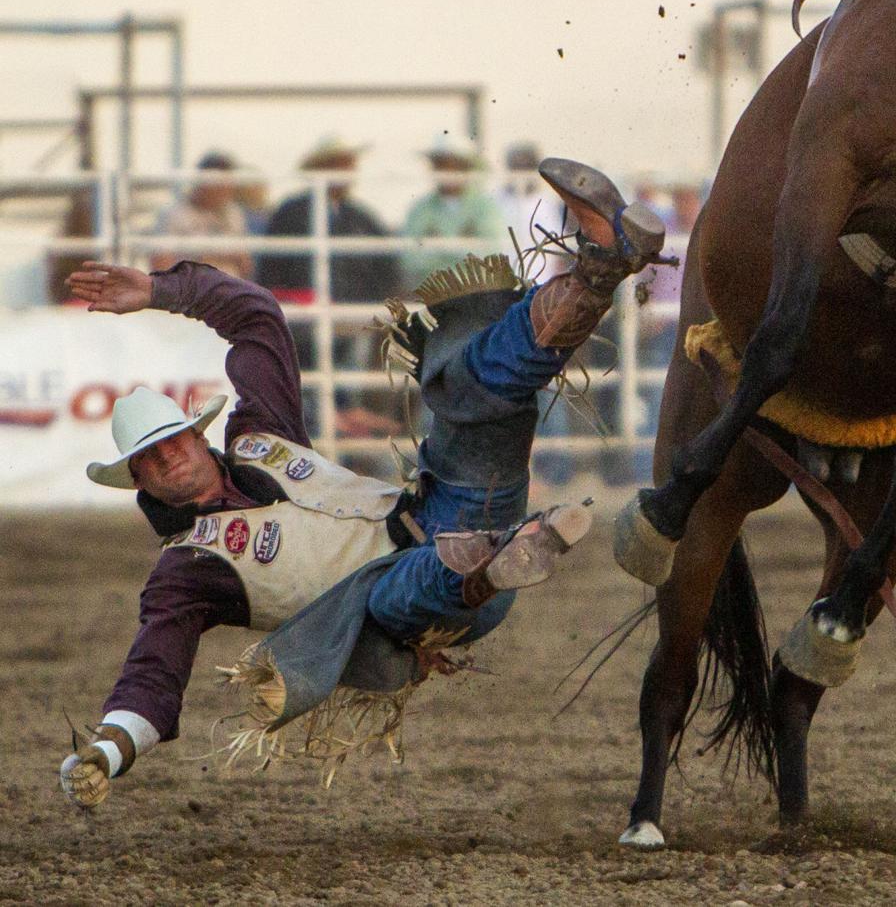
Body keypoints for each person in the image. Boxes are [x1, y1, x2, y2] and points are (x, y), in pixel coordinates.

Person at [58, 158, 667, 810]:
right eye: (151, 459)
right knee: (389, 590)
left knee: (469, 387)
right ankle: (480, 570)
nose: (170, 457)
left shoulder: (261, 434)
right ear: (140, 481)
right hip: (410, 617)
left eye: (173, 439)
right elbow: (153, 671)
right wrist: (109, 750)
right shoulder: (185, 570)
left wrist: (158, 288)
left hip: (442, 506)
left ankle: (600, 268)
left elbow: (257, 317)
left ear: (194, 433)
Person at [256, 135, 400, 305]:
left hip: (356, 314)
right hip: (304, 314)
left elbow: (387, 267)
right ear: (320, 168)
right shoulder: (291, 213)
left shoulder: (362, 217)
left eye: (349, 164)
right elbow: (271, 268)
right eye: (340, 164)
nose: (348, 171)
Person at [400, 131, 506, 285]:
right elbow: (410, 259)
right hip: (432, 294)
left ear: (466, 168)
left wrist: (437, 244)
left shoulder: (486, 207)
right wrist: (464, 244)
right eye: (441, 164)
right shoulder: (419, 209)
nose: (447, 171)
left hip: (477, 293)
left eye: (454, 165)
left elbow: (493, 253)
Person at [150, 150, 251, 278]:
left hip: (229, 289)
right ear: (202, 183)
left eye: (228, 184)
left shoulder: (233, 214)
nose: (226, 191)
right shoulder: (173, 214)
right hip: (189, 291)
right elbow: (161, 266)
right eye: (220, 185)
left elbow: (245, 265)